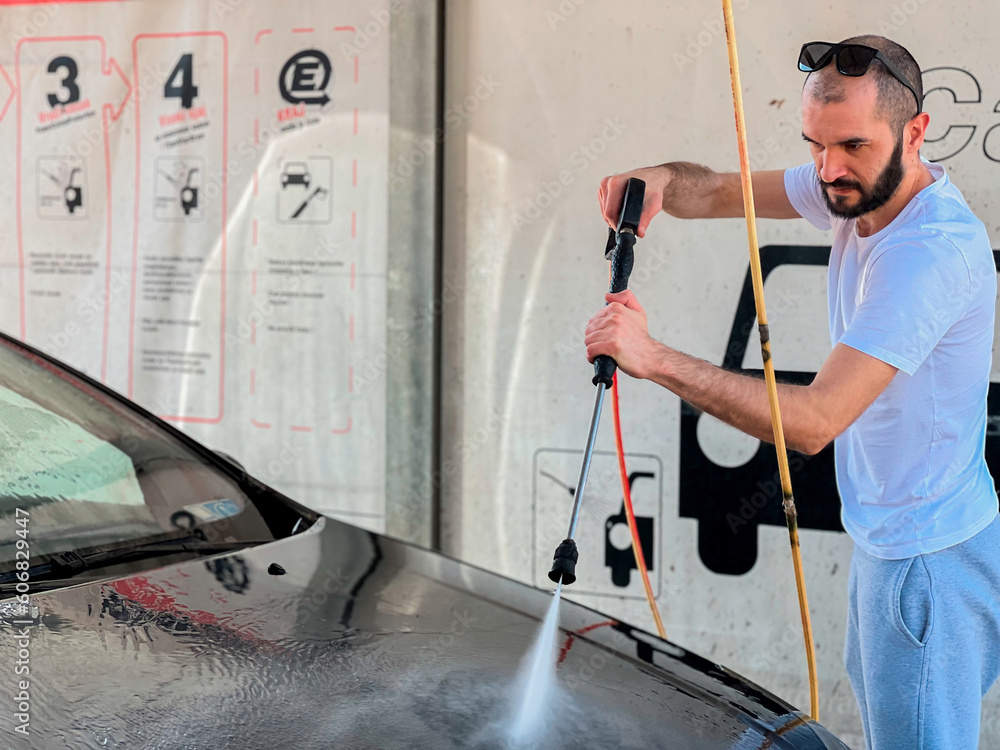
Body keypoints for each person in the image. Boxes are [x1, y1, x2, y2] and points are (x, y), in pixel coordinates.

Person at [587, 34, 1000, 750]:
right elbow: (715, 190)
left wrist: (651, 358)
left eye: (852, 147)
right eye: (815, 145)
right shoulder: (854, 184)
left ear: (916, 133)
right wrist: (657, 178)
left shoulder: (929, 253)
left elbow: (814, 422)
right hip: (893, 545)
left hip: (924, 564)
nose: (828, 170)